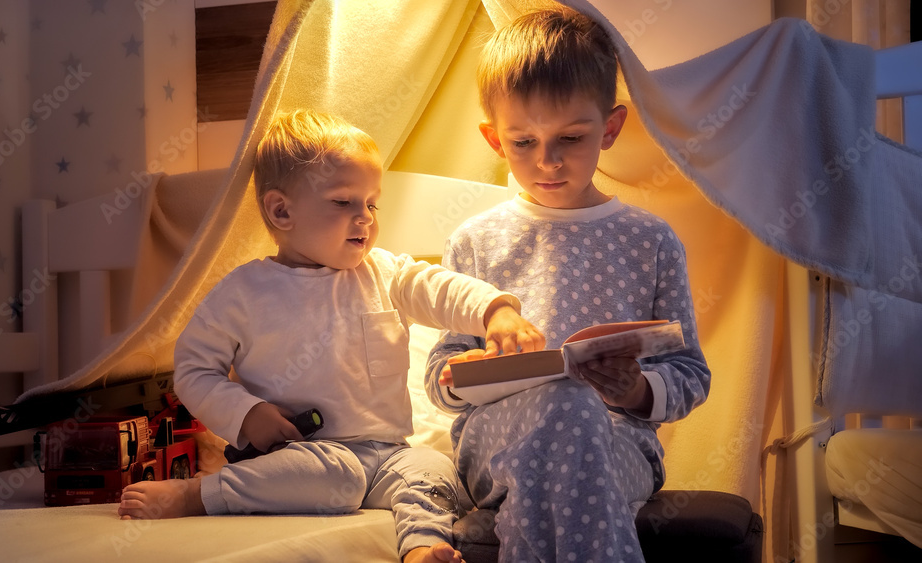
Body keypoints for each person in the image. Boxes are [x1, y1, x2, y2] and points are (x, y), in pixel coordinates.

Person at [118, 108, 545, 563]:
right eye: (343, 203)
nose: (365, 218)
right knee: (332, 476)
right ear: (282, 210)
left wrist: (495, 311)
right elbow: (193, 369)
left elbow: (440, 288)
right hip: (307, 453)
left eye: (372, 204)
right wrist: (247, 414)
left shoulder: (384, 272)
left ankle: (421, 546)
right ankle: (198, 495)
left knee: (434, 469)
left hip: (390, 453)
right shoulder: (244, 292)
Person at [424, 8, 711, 562]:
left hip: (618, 444)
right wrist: (472, 370)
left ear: (610, 128)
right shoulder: (475, 241)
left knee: (573, 411)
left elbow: (690, 374)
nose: (547, 161)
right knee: (565, 404)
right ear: (494, 139)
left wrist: (634, 391)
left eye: (570, 138)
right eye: (523, 142)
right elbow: (441, 379)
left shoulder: (650, 241)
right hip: (494, 443)